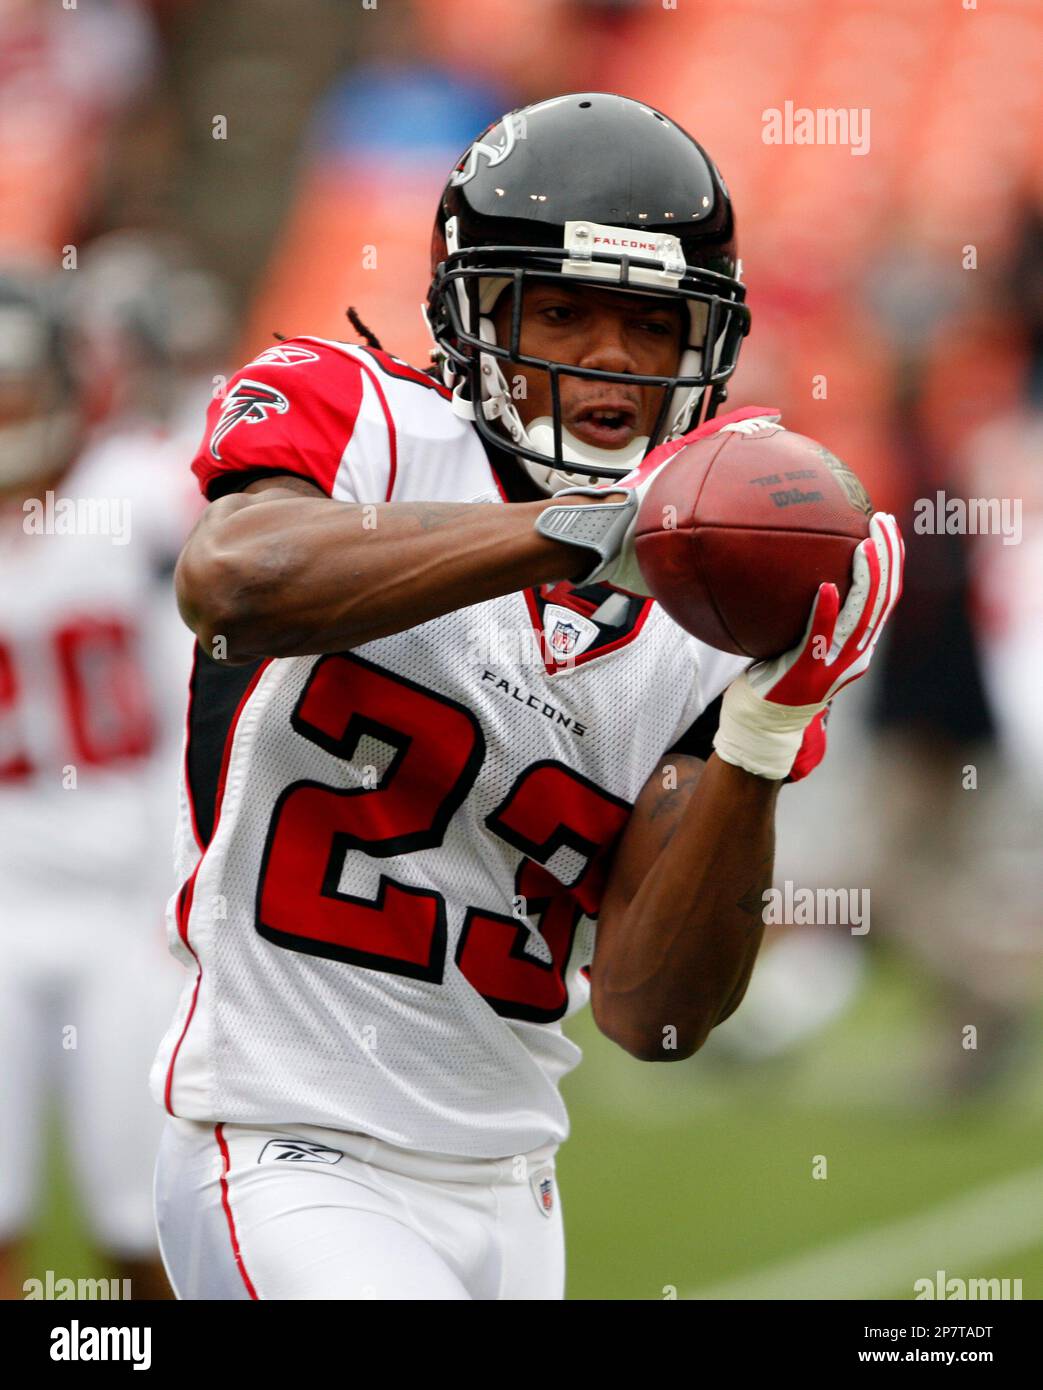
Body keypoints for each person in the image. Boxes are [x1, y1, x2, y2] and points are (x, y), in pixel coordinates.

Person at [151, 93, 902, 1301]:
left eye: (651, 324)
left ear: (700, 346)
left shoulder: (701, 617)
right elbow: (234, 582)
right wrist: (576, 532)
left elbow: (655, 1015)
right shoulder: (368, 425)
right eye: (560, 310)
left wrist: (768, 726)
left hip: (512, 1182)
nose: (607, 358)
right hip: (286, 1138)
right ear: (470, 315)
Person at [0, 271, 190, 1301]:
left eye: (17, 385)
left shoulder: (141, 494)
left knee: (145, 1220)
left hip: (128, 907)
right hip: (1, 905)